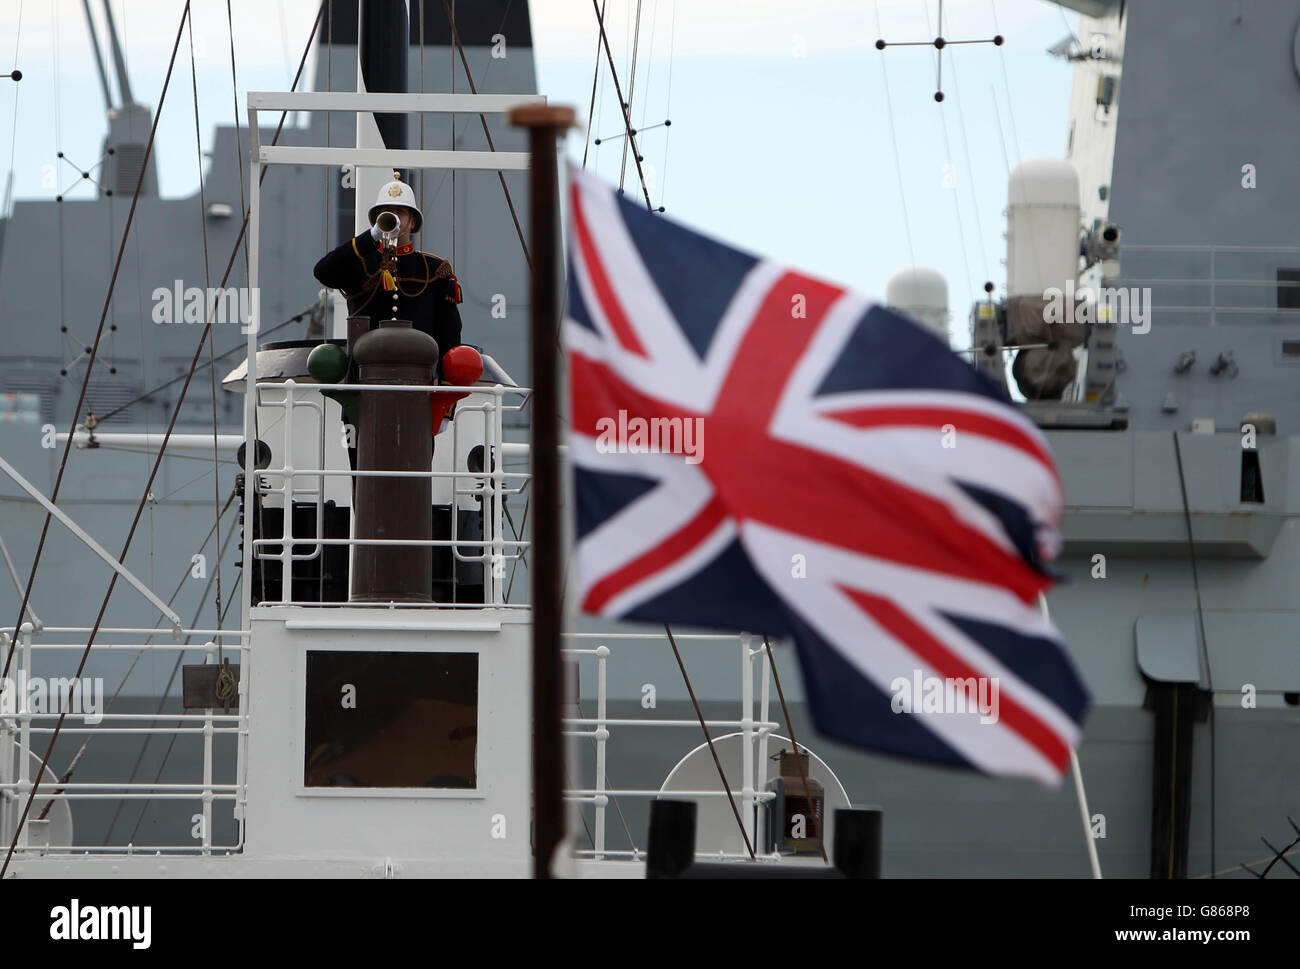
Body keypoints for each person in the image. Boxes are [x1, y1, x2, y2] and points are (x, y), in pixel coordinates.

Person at [313, 171, 462, 367]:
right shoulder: (360, 262)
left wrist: (444, 382)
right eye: (388, 211)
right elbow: (323, 271)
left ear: (413, 222)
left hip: (418, 373)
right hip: (365, 372)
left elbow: (449, 333)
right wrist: (371, 236)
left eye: (400, 211)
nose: (394, 216)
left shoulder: (434, 270)